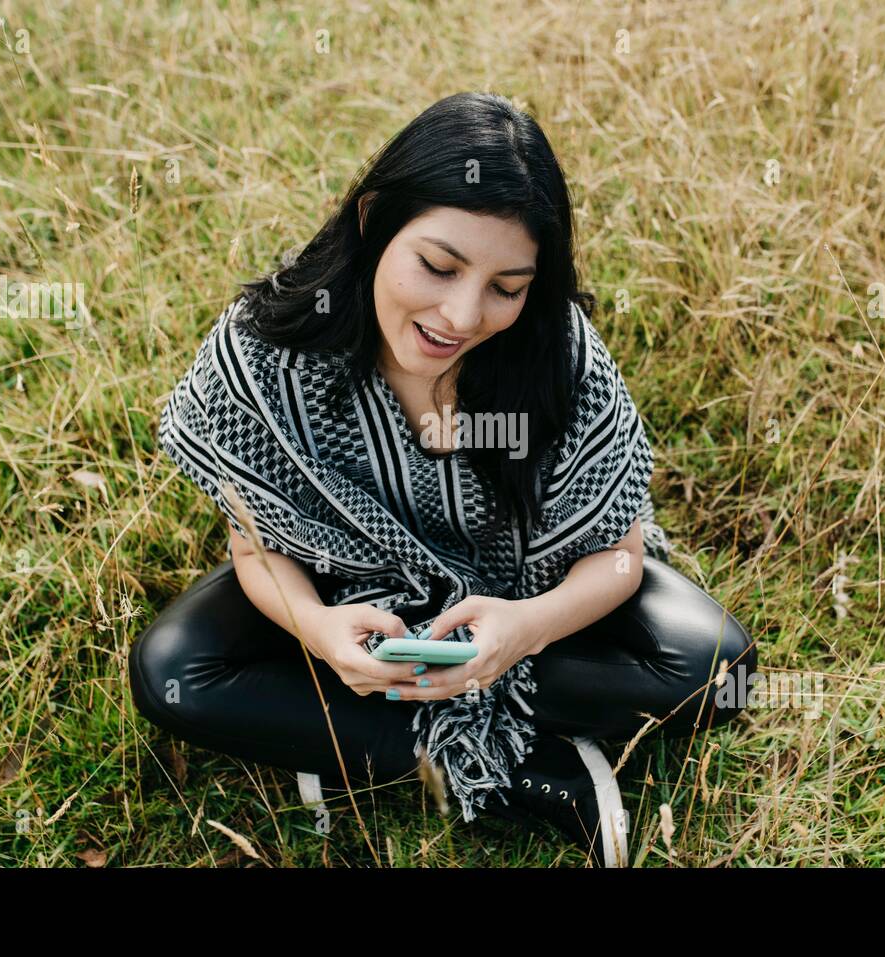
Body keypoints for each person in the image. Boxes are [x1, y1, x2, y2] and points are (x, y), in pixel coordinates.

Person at [128, 91, 757, 867]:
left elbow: (621, 557)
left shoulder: (556, 356)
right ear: (373, 221)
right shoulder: (271, 346)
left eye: (507, 286)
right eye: (438, 265)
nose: (461, 314)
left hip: (524, 596)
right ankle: (533, 771)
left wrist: (527, 627)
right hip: (345, 594)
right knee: (171, 672)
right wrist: (320, 633)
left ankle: (333, 736)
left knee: (719, 668)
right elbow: (255, 547)